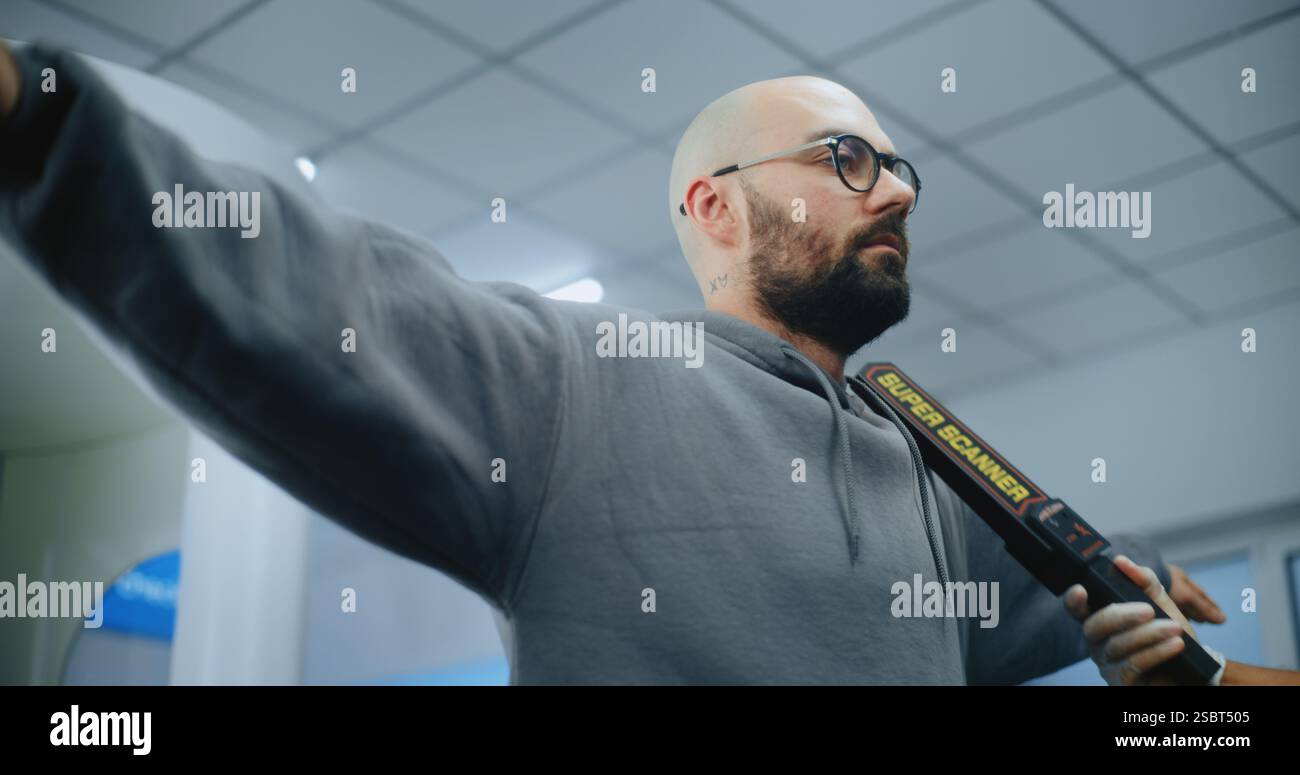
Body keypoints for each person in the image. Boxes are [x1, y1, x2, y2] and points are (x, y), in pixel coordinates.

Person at [1, 41, 1282, 685]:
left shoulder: (932, 473)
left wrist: (1175, 672)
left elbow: (1136, 638)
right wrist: (34, 118)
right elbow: (302, 295)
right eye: (846, 160)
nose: (893, 193)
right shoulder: (582, 386)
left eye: (899, 169)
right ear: (714, 210)